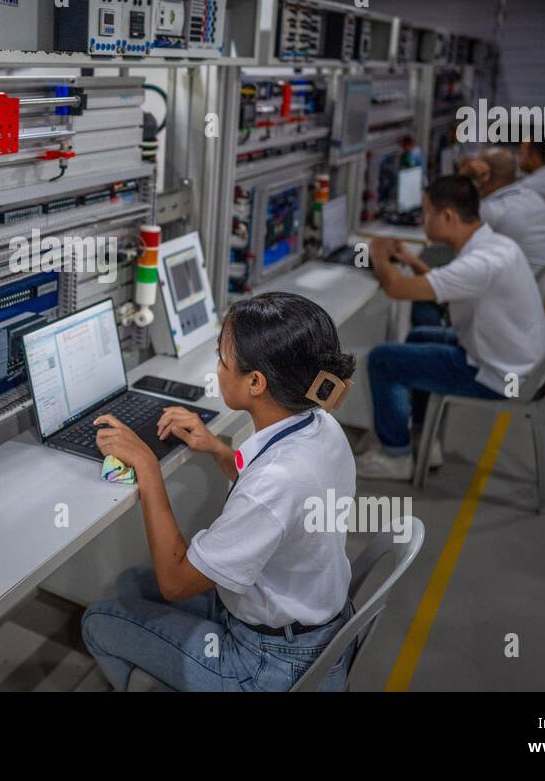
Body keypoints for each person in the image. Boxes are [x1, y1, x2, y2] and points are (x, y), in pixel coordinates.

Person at [81, 292, 359, 691]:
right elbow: (274, 499)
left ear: (256, 382)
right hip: (307, 627)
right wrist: (216, 448)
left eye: (222, 358)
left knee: (98, 621)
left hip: (266, 664)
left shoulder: (278, 480)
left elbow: (174, 583)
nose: (218, 368)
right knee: (129, 586)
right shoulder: (320, 424)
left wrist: (147, 465)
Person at [356, 175, 545, 480]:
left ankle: (395, 456)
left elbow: (397, 289)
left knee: (382, 360)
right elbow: (446, 283)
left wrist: (379, 254)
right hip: (514, 358)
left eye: (426, 213)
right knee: (419, 337)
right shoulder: (495, 245)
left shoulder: (480, 263)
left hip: (495, 374)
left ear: (447, 216)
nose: (422, 220)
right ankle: (423, 435)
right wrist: (408, 259)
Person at [459, 146, 545, 276]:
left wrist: (463, 177)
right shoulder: (532, 196)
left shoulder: (493, 210)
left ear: (484, 176)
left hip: (517, 291)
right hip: (540, 284)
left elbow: (449, 223)